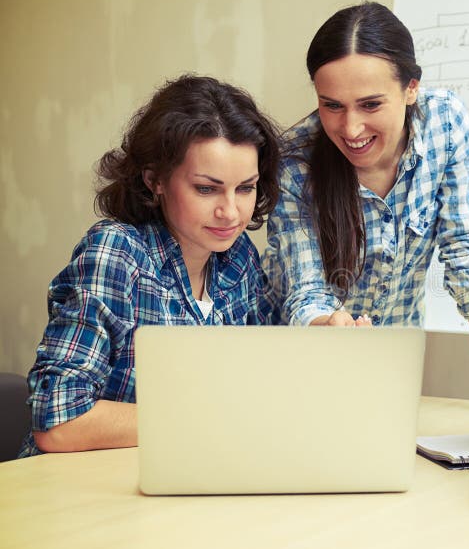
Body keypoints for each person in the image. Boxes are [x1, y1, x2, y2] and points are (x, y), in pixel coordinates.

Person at [18, 74, 281, 458]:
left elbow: (266, 377)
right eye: (206, 188)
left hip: (182, 473)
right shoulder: (115, 252)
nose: (230, 212)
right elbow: (58, 423)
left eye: (245, 188)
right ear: (155, 180)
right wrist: (203, 417)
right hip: (79, 482)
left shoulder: (238, 257)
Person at [264, 1, 469, 327]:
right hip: (308, 343)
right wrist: (329, 326)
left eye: (370, 105)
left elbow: (464, 250)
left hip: (398, 339)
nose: (351, 129)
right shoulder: (294, 161)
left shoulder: (444, 122)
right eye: (333, 106)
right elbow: (306, 289)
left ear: (411, 89)